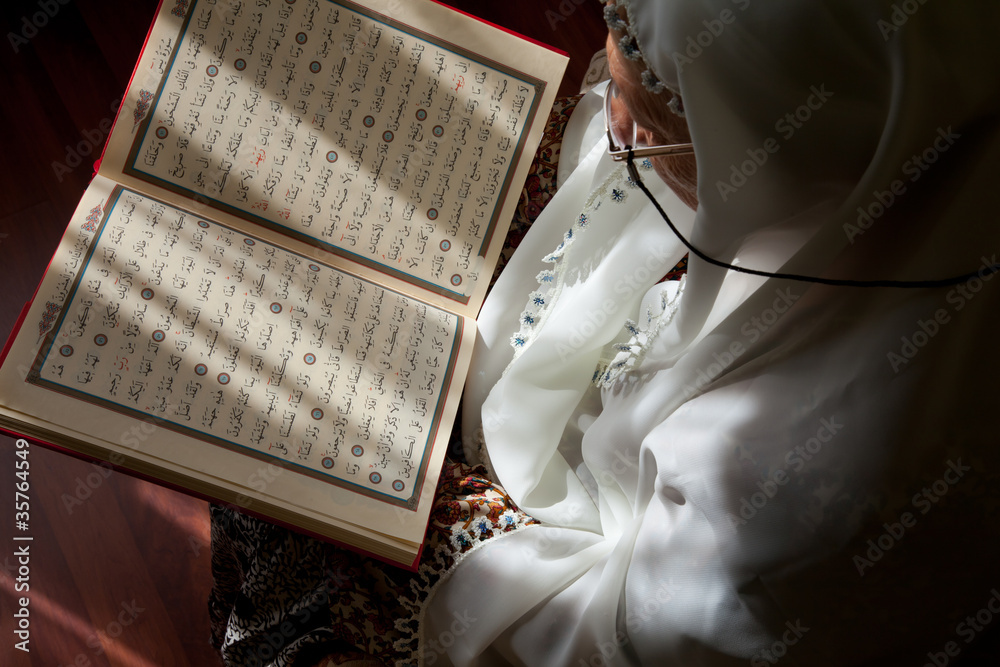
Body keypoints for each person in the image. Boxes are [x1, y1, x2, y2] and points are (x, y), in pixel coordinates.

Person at [211, 1, 1000, 665]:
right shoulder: (881, 128)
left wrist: (424, 504)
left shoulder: (804, 481)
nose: (614, 124)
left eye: (663, 115)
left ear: (783, 145)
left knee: (286, 492)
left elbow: (607, 640)